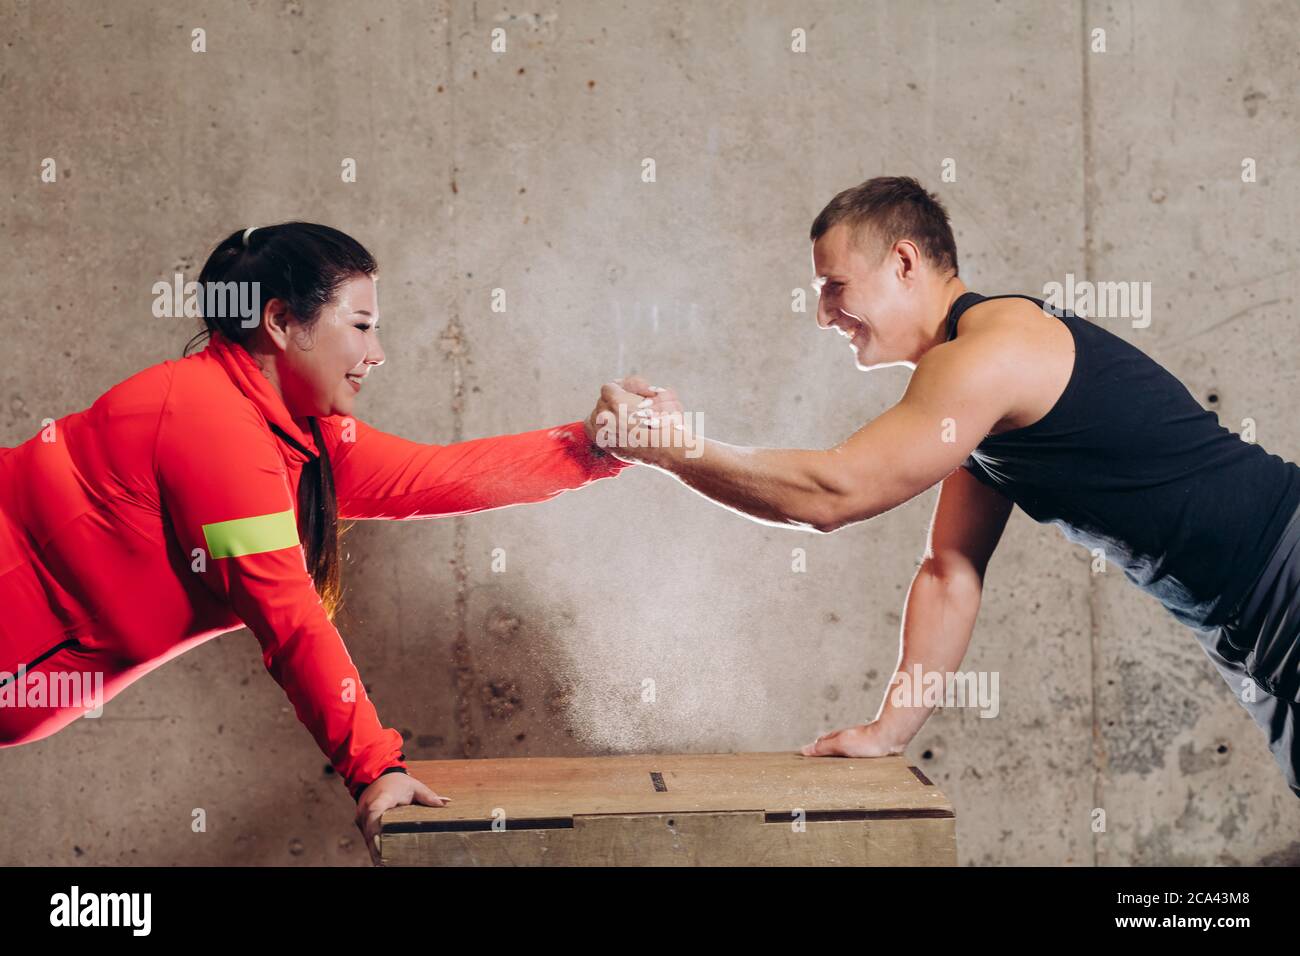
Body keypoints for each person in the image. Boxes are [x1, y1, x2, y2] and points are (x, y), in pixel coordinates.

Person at [587, 176, 1300, 799]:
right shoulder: (972, 382)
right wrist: (890, 731)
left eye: (835, 286)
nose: (824, 313)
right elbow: (949, 569)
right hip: (1247, 623)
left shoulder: (988, 353)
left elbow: (833, 494)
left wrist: (670, 449)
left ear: (903, 262)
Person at [0, 222, 664, 863]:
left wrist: (597, 444)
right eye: (362, 327)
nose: (378, 354)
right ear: (281, 322)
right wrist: (375, 767)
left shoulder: (294, 431)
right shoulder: (210, 426)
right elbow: (288, 619)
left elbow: (436, 477)